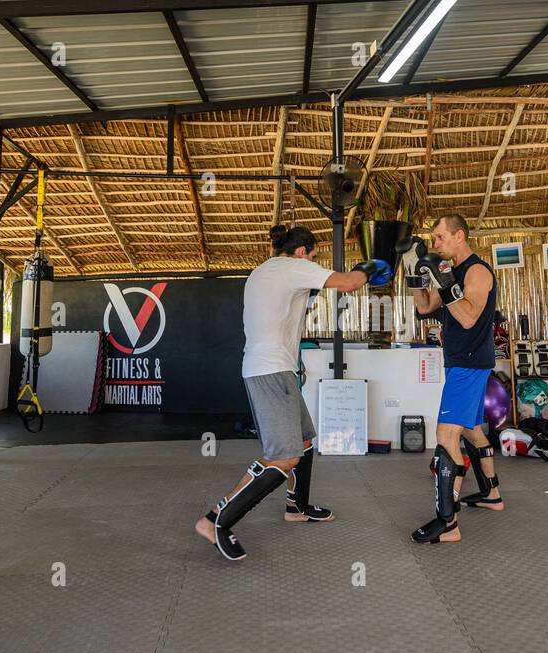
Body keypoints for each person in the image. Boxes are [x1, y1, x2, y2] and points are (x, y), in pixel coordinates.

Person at [194, 225, 390, 561]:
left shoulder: (264, 272)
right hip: (270, 371)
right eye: (312, 257)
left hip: (275, 368)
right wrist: (371, 266)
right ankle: (215, 521)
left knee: (304, 440)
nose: (313, 263)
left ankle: (295, 507)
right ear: (302, 252)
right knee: (283, 457)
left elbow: (287, 311)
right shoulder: (292, 267)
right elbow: (348, 283)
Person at [405, 213, 502, 545]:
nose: (435, 243)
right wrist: (413, 272)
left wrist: (445, 283)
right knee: (472, 430)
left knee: (446, 436)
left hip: (470, 363)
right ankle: (491, 494)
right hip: (459, 361)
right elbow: (424, 308)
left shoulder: (477, 271)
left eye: (440, 237)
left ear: (459, 235)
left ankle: (448, 523)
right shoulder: (449, 270)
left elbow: (469, 317)